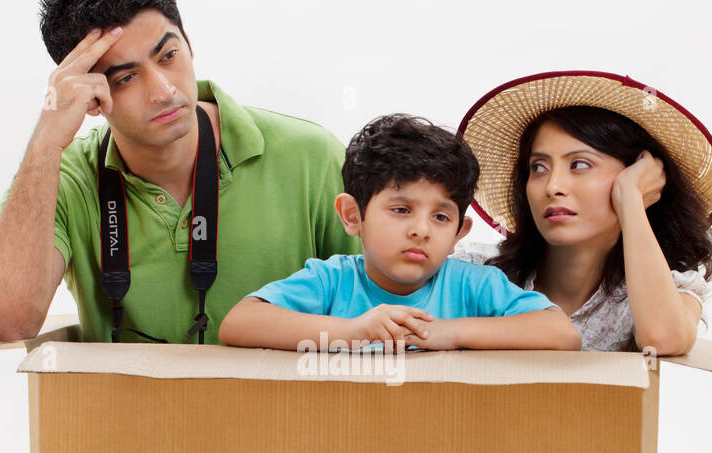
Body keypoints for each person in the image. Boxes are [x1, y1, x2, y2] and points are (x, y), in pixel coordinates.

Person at [0, 0, 360, 344]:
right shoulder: (61, 178)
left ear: (189, 44)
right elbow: (10, 325)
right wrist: (46, 139)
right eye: (126, 77)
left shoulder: (313, 157)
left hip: (291, 406)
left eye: (168, 56)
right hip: (127, 408)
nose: (164, 91)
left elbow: (395, 304)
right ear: (91, 96)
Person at [218, 114, 579, 352]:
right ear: (352, 215)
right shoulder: (330, 281)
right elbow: (238, 323)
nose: (421, 230)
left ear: (459, 233)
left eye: (440, 217)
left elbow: (562, 334)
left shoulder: (475, 286)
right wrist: (355, 331)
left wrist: (451, 332)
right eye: (401, 210)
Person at [453, 71, 712, 355]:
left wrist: (631, 200)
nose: (553, 186)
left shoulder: (665, 292)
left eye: (580, 165)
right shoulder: (477, 273)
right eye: (538, 168)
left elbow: (662, 340)